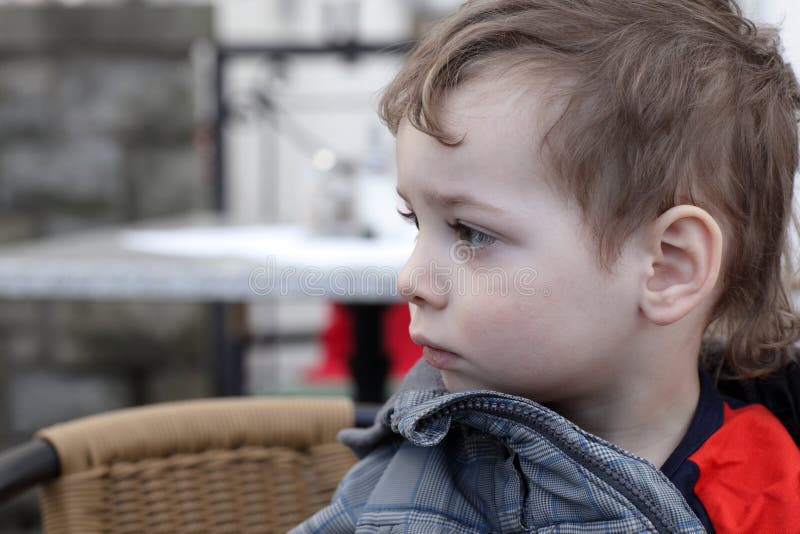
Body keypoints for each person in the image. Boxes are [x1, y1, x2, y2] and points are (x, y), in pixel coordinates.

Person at [293, 0, 800, 531]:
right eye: (417, 222)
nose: (411, 280)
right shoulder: (419, 454)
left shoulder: (766, 494)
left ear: (667, 267)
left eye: (472, 233)